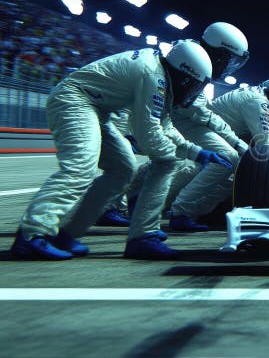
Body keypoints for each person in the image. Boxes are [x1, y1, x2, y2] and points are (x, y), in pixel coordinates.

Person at [11, 41, 232, 260]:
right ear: (183, 75)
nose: (192, 92)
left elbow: (164, 126)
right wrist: (183, 154)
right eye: (192, 85)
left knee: (123, 170)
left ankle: (68, 235)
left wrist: (196, 152)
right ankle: (32, 234)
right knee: (81, 168)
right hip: (75, 100)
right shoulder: (153, 76)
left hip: (94, 107)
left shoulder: (160, 73)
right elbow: (149, 135)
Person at [166, 76, 269, 229]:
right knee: (227, 162)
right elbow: (267, 145)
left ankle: (192, 211)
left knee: (230, 172)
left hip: (215, 131)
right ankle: (182, 211)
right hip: (202, 126)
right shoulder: (259, 103)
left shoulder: (263, 100)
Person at [165, 22, 252, 232]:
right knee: (227, 157)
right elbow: (200, 112)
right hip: (175, 117)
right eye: (229, 60)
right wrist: (236, 141)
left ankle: (164, 204)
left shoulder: (194, 56)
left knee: (179, 163)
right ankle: (181, 211)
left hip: (181, 117)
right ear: (219, 53)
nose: (229, 66)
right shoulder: (192, 60)